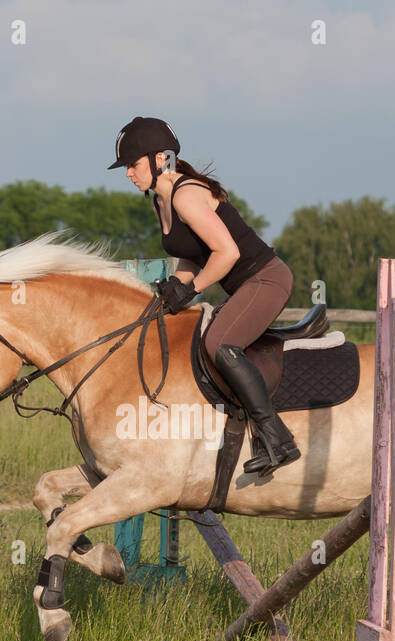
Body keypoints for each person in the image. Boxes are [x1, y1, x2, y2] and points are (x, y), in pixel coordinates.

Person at [107, 116, 300, 476]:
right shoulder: (160, 201)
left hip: (266, 280)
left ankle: (277, 438)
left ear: (160, 159)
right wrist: (168, 293)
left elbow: (227, 253)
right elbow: (191, 257)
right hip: (246, 286)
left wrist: (191, 289)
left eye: (132, 165)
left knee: (219, 344)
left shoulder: (187, 195)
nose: (128, 174)